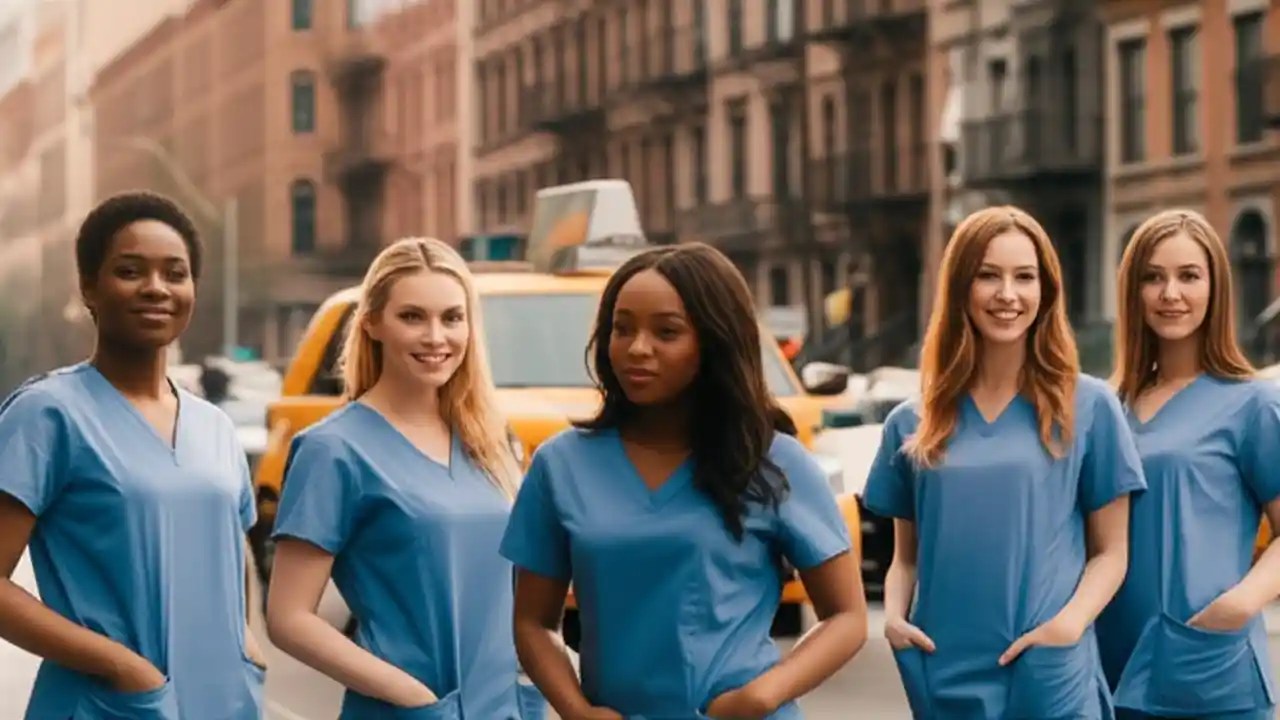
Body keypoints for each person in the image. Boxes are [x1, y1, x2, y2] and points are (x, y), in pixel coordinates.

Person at [501, 242, 867, 719]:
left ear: (714, 342)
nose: (637, 348)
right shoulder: (561, 464)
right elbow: (532, 621)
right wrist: (578, 712)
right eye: (622, 328)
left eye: (666, 332)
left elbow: (848, 617)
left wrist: (763, 696)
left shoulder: (774, 462)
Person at [863, 206, 1146, 719]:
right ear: (959, 288)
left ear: (1047, 290)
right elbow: (905, 557)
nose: (1007, 295)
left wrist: (1068, 627)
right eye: (988, 275)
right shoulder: (911, 422)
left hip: (1050, 670)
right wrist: (894, 620)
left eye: (1024, 277)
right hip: (942, 668)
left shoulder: (1090, 407)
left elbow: (1112, 553)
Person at [0, 190, 265, 719]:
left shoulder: (213, 426)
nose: (156, 289)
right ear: (89, 288)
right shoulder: (48, 414)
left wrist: (247, 649)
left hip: (223, 702)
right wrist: (120, 667)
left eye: (175, 273)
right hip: (111, 704)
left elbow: (233, 555)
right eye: (130, 271)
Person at [266, 237, 546, 719]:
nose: (436, 337)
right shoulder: (334, 450)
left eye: (452, 318)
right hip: (411, 710)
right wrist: (412, 696)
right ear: (372, 322)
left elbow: (512, 598)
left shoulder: (491, 440)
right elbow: (288, 619)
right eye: (412, 316)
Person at [1098, 209, 1280, 720]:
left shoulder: (1252, 405)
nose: (1169, 293)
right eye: (1152, 277)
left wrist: (1241, 605)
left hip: (1210, 666)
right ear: (1132, 292)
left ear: (1215, 288)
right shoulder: (1106, 407)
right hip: (1108, 658)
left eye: (1188, 276)